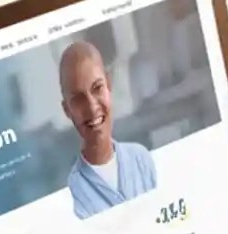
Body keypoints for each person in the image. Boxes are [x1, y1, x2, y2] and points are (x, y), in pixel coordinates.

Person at [58, 41, 157, 219]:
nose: (91, 106)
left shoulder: (141, 159)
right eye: (78, 99)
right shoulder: (72, 193)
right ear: (67, 110)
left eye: (97, 88)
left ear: (109, 84)